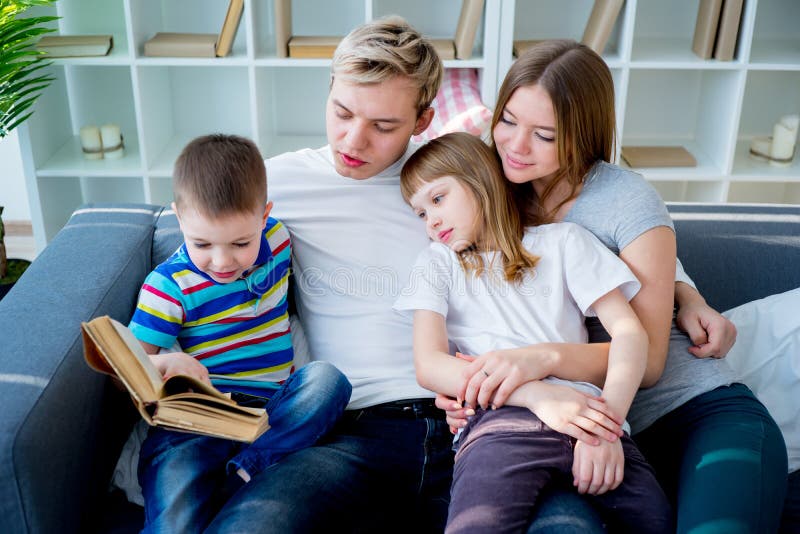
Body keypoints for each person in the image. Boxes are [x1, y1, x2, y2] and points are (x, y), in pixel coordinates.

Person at [441, 40, 788, 533]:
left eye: (544, 135)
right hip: (577, 431)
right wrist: (472, 385)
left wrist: (540, 360)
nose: (515, 146)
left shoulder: (624, 198)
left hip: (690, 413)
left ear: (582, 136)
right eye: (508, 120)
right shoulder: (489, 191)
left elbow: (647, 363)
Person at [201, 17, 458, 533]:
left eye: (384, 127)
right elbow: (192, 240)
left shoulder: (451, 182)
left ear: (423, 119)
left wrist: (673, 281)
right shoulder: (278, 181)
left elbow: (561, 220)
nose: (353, 140)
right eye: (342, 112)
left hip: (469, 425)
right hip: (348, 430)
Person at [394, 132, 672, 533]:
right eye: (420, 213)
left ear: (482, 182)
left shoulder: (564, 242)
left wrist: (609, 427)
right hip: (501, 424)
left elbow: (631, 334)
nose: (431, 220)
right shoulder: (437, 264)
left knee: (655, 520)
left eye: (438, 199)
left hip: (590, 417)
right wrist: (539, 396)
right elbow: (430, 365)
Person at [128, 134, 352, 533]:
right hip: (200, 420)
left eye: (240, 243)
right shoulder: (168, 286)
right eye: (202, 243)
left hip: (269, 415)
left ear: (264, 216)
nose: (221, 261)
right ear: (179, 217)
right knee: (175, 512)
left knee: (328, 381)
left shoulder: (279, 241)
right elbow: (128, 361)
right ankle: (239, 484)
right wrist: (164, 360)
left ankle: (246, 473)